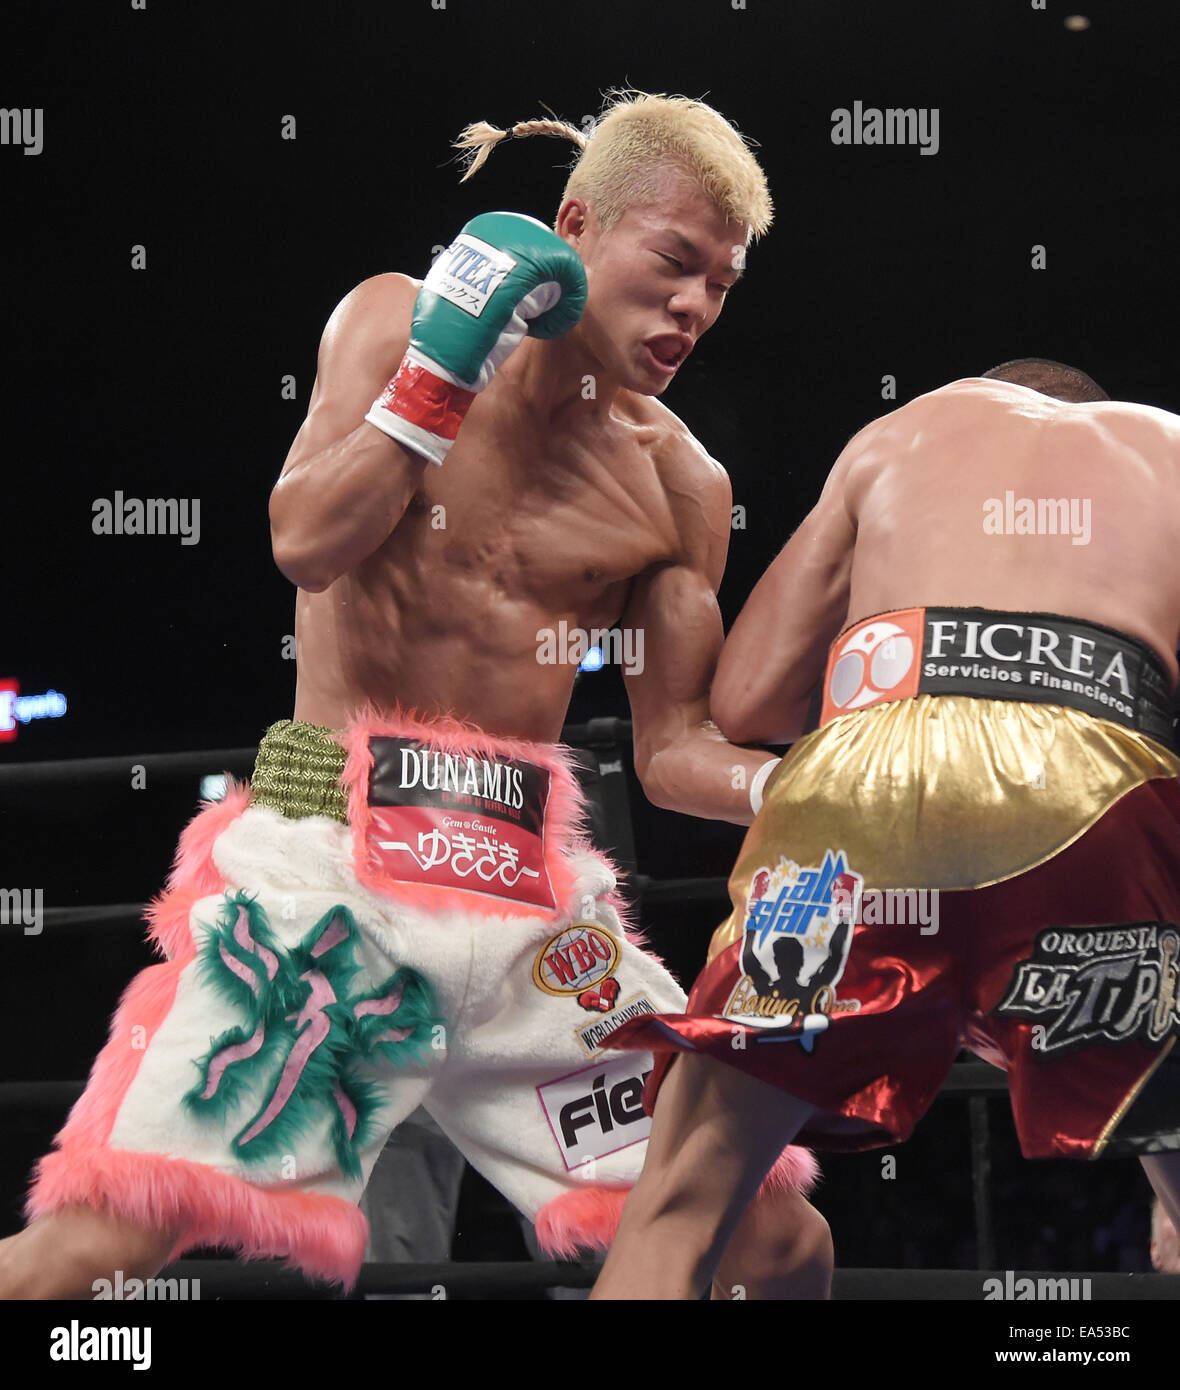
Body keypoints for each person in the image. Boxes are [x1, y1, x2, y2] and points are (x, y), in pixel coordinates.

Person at [0, 91, 830, 1300]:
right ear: (576, 224)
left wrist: (830, 785)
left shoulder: (681, 487)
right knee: (90, 1263)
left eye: (722, 285)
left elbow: (672, 752)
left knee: (772, 1239)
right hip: (330, 871)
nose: (694, 307)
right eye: (673, 263)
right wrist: (441, 375)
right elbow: (304, 540)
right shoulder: (396, 317)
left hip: (532, 912)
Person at [593, 359, 1180, 1299]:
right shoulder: (1167, 448)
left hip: (856, 792)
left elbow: (744, 701)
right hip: (1098, 790)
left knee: (682, 1204)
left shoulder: (903, 432)